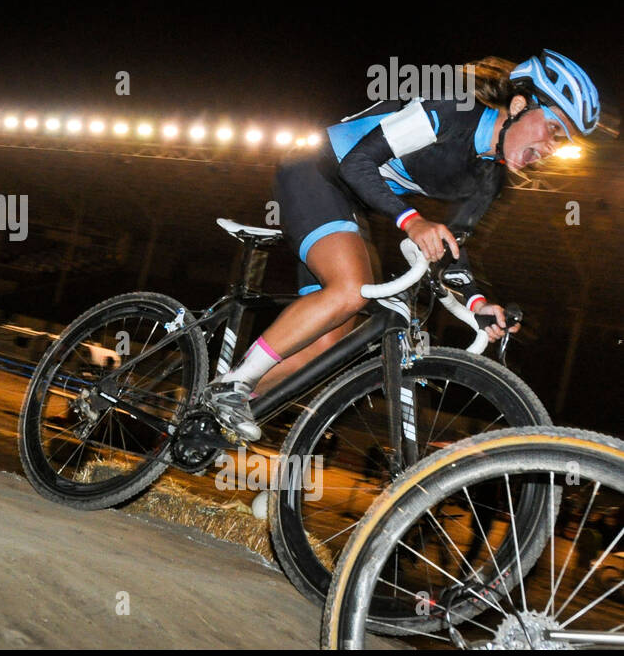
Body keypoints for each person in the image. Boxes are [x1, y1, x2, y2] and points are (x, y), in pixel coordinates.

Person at [202, 50, 604, 441]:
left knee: (327, 340)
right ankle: (232, 386)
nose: (552, 148)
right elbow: (357, 164)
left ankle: (217, 408)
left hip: (352, 201)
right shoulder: (453, 107)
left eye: (562, 140)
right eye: (555, 129)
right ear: (519, 104)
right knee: (350, 290)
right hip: (317, 169)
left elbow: (451, 249)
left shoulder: (492, 179)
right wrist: (412, 221)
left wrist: (478, 303)